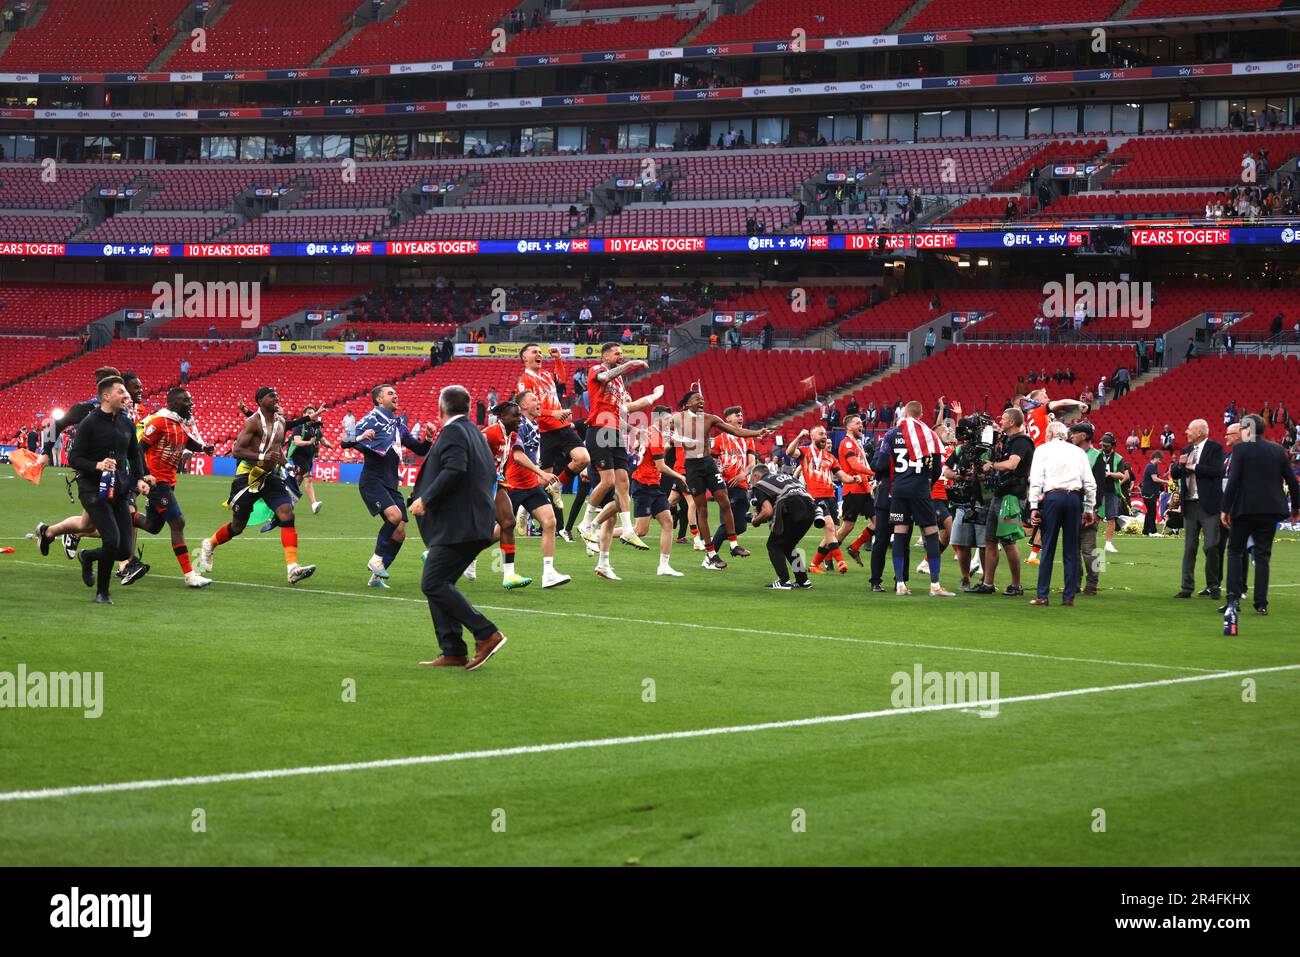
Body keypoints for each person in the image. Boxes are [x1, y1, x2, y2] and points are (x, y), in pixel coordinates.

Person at [409, 385, 507, 671]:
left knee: (433, 583)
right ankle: (452, 650)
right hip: (473, 523)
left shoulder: (453, 432)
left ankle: (486, 633)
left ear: (440, 409)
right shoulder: (475, 432)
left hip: (458, 526)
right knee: (440, 583)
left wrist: (426, 498)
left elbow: (454, 469)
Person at [198, 387, 316, 585]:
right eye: (271, 395)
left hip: (270, 475)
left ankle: (292, 568)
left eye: (277, 394)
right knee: (238, 526)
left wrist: (287, 465)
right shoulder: (253, 421)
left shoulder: (280, 421)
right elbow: (237, 450)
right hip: (248, 477)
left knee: (287, 513)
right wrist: (262, 457)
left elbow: (277, 446)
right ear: (261, 401)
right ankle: (209, 544)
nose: (276, 397)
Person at [661, 389, 773, 571]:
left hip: (708, 464)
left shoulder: (710, 418)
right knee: (702, 510)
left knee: (725, 502)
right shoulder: (678, 418)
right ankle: (712, 554)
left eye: (703, 399)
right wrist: (675, 437)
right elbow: (663, 428)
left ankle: (733, 544)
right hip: (692, 468)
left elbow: (735, 431)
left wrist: (757, 433)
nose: (702, 401)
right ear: (688, 403)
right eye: (697, 399)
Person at [66, 377, 154, 605]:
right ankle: (102, 593)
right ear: (106, 397)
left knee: (124, 550)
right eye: (121, 392)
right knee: (112, 539)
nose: (126, 396)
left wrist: (139, 480)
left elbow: (135, 455)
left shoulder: (126, 422)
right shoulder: (90, 423)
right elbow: (74, 458)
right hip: (93, 490)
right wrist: (97, 465)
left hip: (119, 489)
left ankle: (87, 556)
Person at [578, 343, 659, 575]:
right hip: (599, 430)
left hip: (615, 432)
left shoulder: (620, 383)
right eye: (617, 353)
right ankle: (586, 524)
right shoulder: (596, 370)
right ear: (605, 355)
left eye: (622, 354)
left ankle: (627, 529)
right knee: (609, 481)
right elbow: (605, 376)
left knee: (623, 482)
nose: (620, 356)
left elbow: (624, 408)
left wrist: (651, 400)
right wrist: (631, 365)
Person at [340, 385, 430, 589]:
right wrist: (361, 437)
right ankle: (375, 559)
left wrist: (430, 438)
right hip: (372, 480)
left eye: (395, 393)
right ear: (379, 400)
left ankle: (376, 577)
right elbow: (345, 442)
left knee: (399, 533)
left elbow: (419, 449)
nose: (396, 395)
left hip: (391, 484)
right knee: (395, 516)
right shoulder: (372, 418)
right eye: (390, 393)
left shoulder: (397, 424)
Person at [133, 387, 215, 588]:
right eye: (186, 401)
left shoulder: (180, 424)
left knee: (153, 526)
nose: (191, 404)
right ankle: (190, 575)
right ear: (174, 403)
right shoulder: (160, 421)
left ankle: (122, 515)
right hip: (157, 482)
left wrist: (202, 448)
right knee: (178, 522)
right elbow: (138, 449)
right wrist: (145, 474)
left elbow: (187, 442)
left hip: (168, 481)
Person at [1222, 414, 1300, 616]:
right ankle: (1261, 604)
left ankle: (1233, 599)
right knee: (1263, 556)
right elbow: (1292, 481)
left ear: (1247, 429)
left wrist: (1225, 508)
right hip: (1270, 510)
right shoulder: (1276, 450)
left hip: (1244, 509)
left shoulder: (1240, 450)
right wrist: (1296, 508)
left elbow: (1233, 481)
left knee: (1235, 552)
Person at [879, 402, 953, 597]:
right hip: (920, 490)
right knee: (930, 533)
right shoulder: (929, 434)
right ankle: (934, 585)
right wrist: (927, 484)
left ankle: (901, 585)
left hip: (899, 490)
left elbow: (882, 463)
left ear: (905, 413)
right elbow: (937, 468)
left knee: (900, 533)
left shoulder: (891, 434)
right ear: (921, 414)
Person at [517, 343, 591, 532]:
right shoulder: (525, 381)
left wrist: (558, 359)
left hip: (562, 427)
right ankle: (524, 507)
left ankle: (557, 484)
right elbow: (528, 410)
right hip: (544, 432)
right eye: (534, 352)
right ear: (525, 358)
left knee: (583, 458)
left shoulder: (546, 375)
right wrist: (553, 414)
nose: (539, 354)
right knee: (542, 479)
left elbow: (562, 379)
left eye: (540, 352)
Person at [1027, 421, 1097, 606]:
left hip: (1052, 498)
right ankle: (1069, 597)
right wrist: (1089, 508)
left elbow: (1036, 479)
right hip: (1073, 499)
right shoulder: (1078, 452)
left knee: (1048, 547)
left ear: (1049, 434)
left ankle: (1042, 595)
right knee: (1071, 550)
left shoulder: (1042, 450)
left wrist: (1034, 505)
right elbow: (1090, 484)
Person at [504, 393, 570, 588]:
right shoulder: (520, 424)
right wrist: (542, 473)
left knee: (550, 521)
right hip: (513, 486)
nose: (539, 402)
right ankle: (462, 556)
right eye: (534, 399)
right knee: (496, 531)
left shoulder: (534, 425)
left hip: (530, 485)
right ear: (523, 405)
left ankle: (548, 573)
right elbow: (517, 455)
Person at [973, 407, 1034, 596]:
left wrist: (991, 466)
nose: (1001, 420)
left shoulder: (1021, 441)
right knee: (990, 540)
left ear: (1013, 422)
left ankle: (1016, 585)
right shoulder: (1008, 441)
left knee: (1008, 541)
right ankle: (988, 583)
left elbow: (1012, 464)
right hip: (1001, 494)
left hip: (1012, 497)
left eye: (1004, 418)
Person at [788, 424, 856, 574]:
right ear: (812, 437)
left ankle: (814, 564)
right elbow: (789, 451)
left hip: (830, 498)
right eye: (820, 434)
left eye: (825, 434)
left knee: (830, 533)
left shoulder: (831, 458)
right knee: (831, 529)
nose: (824, 436)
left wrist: (854, 479)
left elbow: (842, 476)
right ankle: (841, 562)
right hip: (815, 497)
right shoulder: (805, 452)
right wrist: (799, 437)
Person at [1170, 418, 1225, 600]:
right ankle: (1186, 587)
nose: (1186, 432)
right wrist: (1179, 465)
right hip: (1190, 504)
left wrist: (1193, 466)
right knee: (1189, 547)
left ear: (1199, 432)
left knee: (1211, 546)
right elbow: (1176, 474)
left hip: (1208, 504)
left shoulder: (1215, 448)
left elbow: (1217, 471)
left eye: (1189, 429)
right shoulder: (1186, 450)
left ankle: (1213, 585)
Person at [629, 404, 685, 577]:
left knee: (667, 522)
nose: (669, 422)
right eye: (667, 418)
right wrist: (681, 476)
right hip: (643, 485)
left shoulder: (652, 434)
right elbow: (661, 466)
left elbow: (637, 449)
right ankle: (599, 533)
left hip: (653, 485)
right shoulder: (654, 436)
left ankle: (664, 566)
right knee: (640, 531)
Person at [748, 463, 818, 590]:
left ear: (756, 476)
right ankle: (803, 580)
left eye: (751, 479)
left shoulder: (760, 485)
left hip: (793, 508)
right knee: (788, 546)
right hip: (811, 509)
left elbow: (767, 511)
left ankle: (783, 581)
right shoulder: (784, 476)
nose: (751, 483)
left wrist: (755, 521)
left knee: (773, 545)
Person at [709, 406, 759, 558]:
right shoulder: (718, 440)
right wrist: (719, 468)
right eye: (737, 415)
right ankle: (711, 555)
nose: (740, 417)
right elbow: (711, 462)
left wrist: (743, 473)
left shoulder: (747, 438)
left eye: (741, 415)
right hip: (725, 485)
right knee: (727, 523)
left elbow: (752, 463)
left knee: (741, 527)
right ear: (727, 419)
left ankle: (726, 542)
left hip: (742, 485)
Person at [836, 414, 875, 566]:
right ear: (848, 426)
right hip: (853, 489)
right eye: (858, 423)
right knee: (847, 526)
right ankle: (825, 556)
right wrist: (874, 472)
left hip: (864, 489)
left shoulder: (856, 443)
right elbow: (854, 465)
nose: (862, 425)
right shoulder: (847, 443)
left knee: (878, 522)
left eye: (862, 423)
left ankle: (854, 547)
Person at [288, 405, 330, 515]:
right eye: (308, 413)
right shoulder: (299, 426)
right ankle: (314, 504)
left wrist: (331, 446)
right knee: (308, 478)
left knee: (298, 480)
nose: (310, 414)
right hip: (298, 455)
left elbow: (322, 440)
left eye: (312, 412)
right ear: (304, 415)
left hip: (308, 457)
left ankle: (287, 502)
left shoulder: (315, 427)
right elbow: (297, 442)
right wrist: (309, 443)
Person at [1096, 432, 1130, 554]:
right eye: (1102, 445)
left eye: (1106, 445)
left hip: (1111, 491)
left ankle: (1108, 544)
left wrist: (1109, 474)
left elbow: (1121, 475)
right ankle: (1090, 541)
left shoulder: (1118, 458)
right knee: (1095, 517)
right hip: (1098, 490)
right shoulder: (1096, 455)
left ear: (1112, 445)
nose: (1103, 447)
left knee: (1111, 518)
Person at [1140, 451, 1168, 536]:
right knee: (1152, 512)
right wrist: (1165, 481)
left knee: (1150, 512)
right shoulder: (1151, 467)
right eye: (1159, 460)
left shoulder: (1151, 466)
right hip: (1150, 493)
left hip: (1148, 492)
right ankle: (1153, 531)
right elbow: (1155, 479)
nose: (1160, 462)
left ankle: (1146, 531)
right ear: (1156, 458)